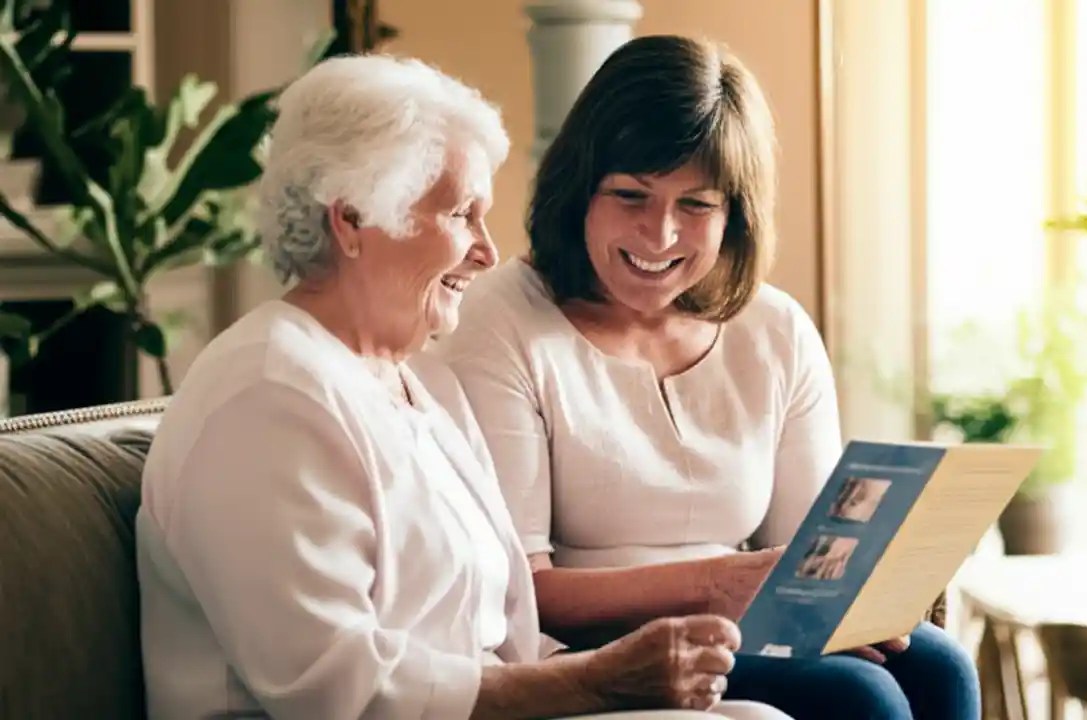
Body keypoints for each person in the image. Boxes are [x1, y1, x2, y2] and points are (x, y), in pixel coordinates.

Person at [134, 54, 790, 720]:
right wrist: (601, 681)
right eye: (460, 216)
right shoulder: (267, 396)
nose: (485, 250)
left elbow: (502, 631)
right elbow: (342, 693)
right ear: (353, 220)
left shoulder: (419, 384)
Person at [423, 35, 981, 720]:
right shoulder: (503, 322)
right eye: (631, 195)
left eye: (696, 205)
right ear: (580, 194)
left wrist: (864, 586)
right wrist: (718, 583)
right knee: (860, 699)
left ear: (735, 214)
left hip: (746, 628)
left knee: (942, 669)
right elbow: (519, 592)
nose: (659, 234)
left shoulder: (774, 329)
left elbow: (807, 558)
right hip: (582, 647)